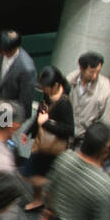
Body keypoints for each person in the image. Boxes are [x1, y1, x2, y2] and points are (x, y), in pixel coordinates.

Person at [21, 65, 74, 211]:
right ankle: (38, 199)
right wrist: (28, 132)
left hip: (52, 147)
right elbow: (39, 116)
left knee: (32, 173)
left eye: (45, 87)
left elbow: (69, 130)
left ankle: (49, 193)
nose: (42, 90)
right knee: (31, 172)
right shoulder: (48, 95)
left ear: (55, 85)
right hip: (41, 142)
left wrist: (46, 124)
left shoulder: (64, 103)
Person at [66, 51, 110, 141]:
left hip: (87, 139)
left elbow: (107, 121)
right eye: (92, 72)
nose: (95, 76)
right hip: (66, 134)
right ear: (81, 68)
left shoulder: (105, 88)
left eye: (98, 72)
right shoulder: (70, 80)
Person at [0, 29, 37, 121]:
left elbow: (25, 99)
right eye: (1, 51)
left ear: (16, 47)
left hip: (9, 110)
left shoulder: (27, 68)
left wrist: (20, 121)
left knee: (3, 129)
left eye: (6, 51)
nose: (3, 53)